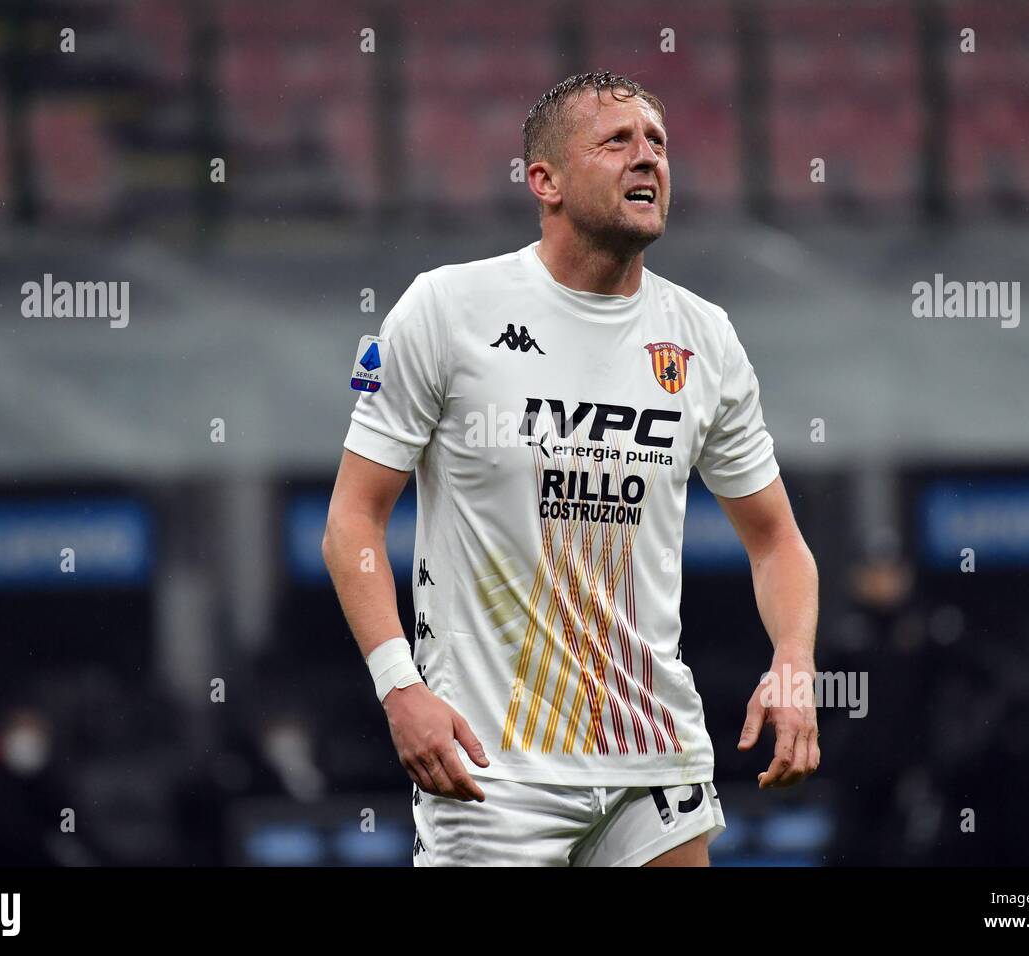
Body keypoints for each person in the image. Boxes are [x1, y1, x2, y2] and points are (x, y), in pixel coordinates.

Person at [323, 71, 820, 867]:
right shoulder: (447, 310)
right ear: (544, 181)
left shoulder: (704, 337)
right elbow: (353, 520)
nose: (647, 159)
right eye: (617, 141)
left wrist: (793, 663)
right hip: (491, 768)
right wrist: (399, 688)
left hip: (653, 753)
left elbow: (777, 543)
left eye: (658, 143)